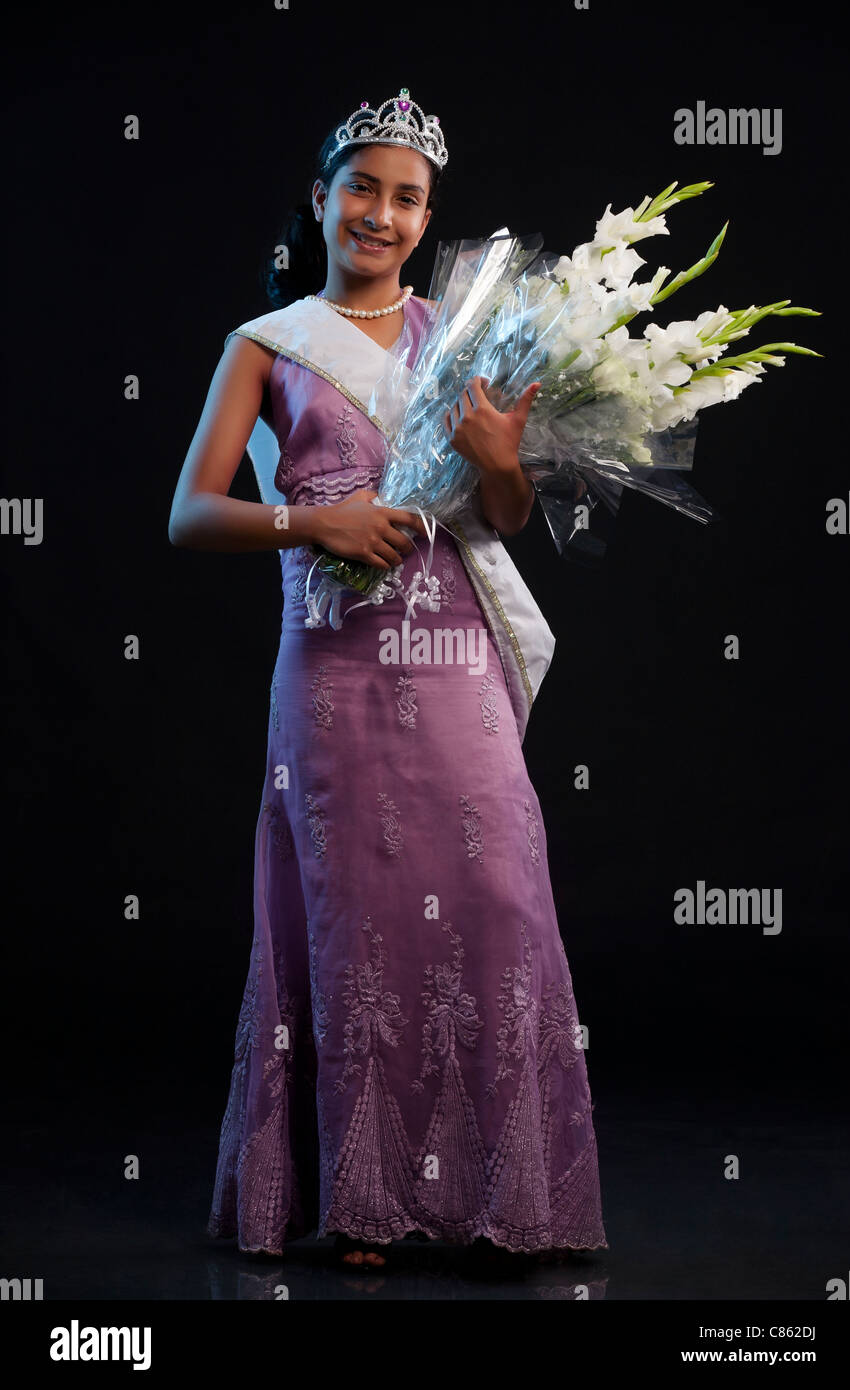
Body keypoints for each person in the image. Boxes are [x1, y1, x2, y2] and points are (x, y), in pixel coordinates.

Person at [169, 88, 608, 1270]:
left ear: (427, 218)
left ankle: (498, 1192)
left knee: (496, 895)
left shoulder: (460, 342)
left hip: (454, 651)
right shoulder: (264, 348)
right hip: (332, 674)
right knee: (354, 915)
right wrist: (313, 524)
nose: (380, 212)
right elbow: (190, 514)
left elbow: (501, 517)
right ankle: (362, 1197)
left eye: (405, 197)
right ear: (320, 198)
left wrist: (501, 459)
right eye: (360, 187)